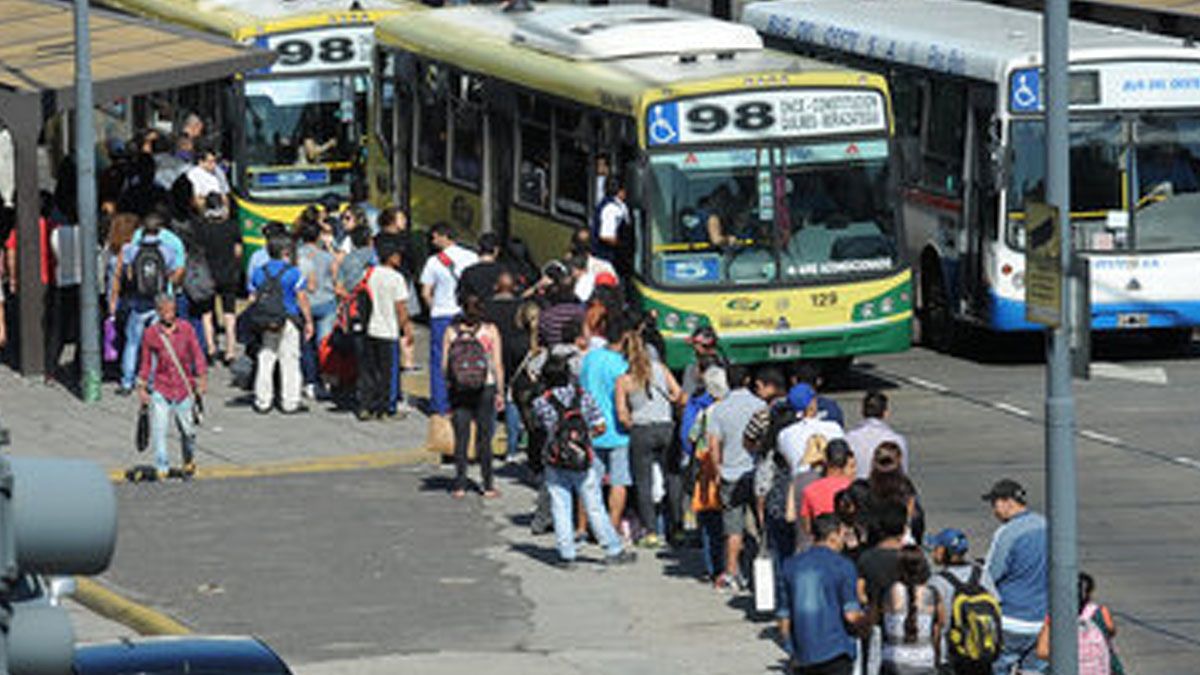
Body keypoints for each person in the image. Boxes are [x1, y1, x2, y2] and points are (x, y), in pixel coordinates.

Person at [531, 353, 637, 569]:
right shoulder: (584, 396)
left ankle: (566, 553)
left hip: (555, 459)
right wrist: (584, 439)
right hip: (582, 459)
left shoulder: (541, 402)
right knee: (594, 504)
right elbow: (600, 426)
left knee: (560, 505)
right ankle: (612, 548)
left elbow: (542, 428)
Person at [616, 325, 683, 548]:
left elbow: (622, 414)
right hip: (666, 427)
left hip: (641, 430)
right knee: (672, 478)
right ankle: (677, 527)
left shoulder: (624, 380)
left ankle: (651, 531)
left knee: (643, 482)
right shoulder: (660, 369)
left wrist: (631, 421)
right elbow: (678, 394)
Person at [706, 366, 772, 591]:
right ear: (747, 380)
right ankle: (767, 566)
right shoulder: (760, 405)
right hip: (755, 472)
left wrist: (717, 470)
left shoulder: (718, 410)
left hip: (730, 473)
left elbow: (714, 445)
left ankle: (731, 573)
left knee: (732, 528)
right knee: (762, 523)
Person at [779, 513, 866, 675]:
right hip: (836, 650)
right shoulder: (843, 566)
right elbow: (851, 615)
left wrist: (791, 649)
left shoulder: (790, 565)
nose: (844, 541)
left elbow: (784, 616)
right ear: (834, 535)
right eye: (843, 535)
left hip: (803, 655)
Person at [136, 294, 207, 479]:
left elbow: (197, 354)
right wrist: (142, 386)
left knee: (188, 432)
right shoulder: (151, 334)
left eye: (172, 310)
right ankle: (162, 467)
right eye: (165, 311)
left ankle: (188, 460)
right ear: (158, 312)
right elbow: (145, 363)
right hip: (162, 388)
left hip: (184, 388)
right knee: (159, 430)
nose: (169, 314)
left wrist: (201, 377)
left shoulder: (186, 329)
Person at [982, 479, 1049, 675]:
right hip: (1041, 622)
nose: (994, 511)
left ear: (1007, 502)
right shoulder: (1046, 525)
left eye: (995, 504)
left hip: (1010, 619)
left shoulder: (1007, 533)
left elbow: (990, 576)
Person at [113, 213, 181, 395]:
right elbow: (172, 274)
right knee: (156, 343)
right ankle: (152, 382)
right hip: (159, 301)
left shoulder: (131, 249)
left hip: (138, 301)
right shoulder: (168, 250)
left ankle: (127, 383)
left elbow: (126, 274)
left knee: (132, 342)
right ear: (159, 230)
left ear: (142, 230)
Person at [444, 294, 504, 499]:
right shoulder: (490, 331)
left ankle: (460, 485)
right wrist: (501, 392)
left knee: (461, 438)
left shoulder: (451, 332)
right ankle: (487, 485)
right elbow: (497, 365)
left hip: (460, 390)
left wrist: (449, 385)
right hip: (485, 387)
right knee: (484, 438)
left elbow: (444, 366)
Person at [579, 318, 632, 531]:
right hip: (618, 431)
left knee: (588, 482)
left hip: (590, 427)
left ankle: (582, 528)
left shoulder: (589, 359)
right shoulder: (622, 364)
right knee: (618, 482)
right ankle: (611, 527)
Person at [420, 222, 478, 416]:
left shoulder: (433, 262)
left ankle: (440, 405)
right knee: (467, 356)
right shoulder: (471, 257)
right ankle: (466, 402)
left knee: (439, 361)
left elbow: (426, 292)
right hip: (464, 315)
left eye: (434, 237)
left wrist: (433, 307)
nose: (432, 241)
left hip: (441, 315)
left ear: (442, 236)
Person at [250, 235, 313, 414]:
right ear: (285, 252)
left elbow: (253, 296)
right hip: (288, 318)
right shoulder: (293, 272)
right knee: (290, 359)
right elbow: (301, 297)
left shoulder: (259, 272)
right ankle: (290, 401)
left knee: (266, 357)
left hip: (266, 320)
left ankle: (263, 400)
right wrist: (308, 321)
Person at [926, 528, 1000, 675]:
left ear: (943, 551)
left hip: (952, 653)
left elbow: (936, 623)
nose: (933, 552)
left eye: (935, 548)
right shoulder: (981, 574)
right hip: (983, 650)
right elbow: (996, 604)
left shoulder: (937, 582)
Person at [358, 233, 413, 421]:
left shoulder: (370, 273)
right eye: (397, 255)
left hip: (370, 328)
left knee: (370, 371)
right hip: (389, 331)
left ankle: (366, 406)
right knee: (387, 373)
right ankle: (385, 409)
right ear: (391, 257)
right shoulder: (396, 278)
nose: (400, 258)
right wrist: (407, 328)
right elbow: (401, 308)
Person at [1034, 572, 1120, 674]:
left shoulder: (1056, 615)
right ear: (1089, 593)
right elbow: (1111, 631)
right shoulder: (1101, 611)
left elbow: (1042, 652)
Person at [879, 544, 945, 675]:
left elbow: (874, 620)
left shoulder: (888, 593)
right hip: (924, 661)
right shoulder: (933, 594)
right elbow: (939, 628)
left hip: (894, 662)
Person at [195, 192, 242, 365]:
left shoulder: (201, 228)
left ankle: (211, 348)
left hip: (208, 275)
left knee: (207, 313)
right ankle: (230, 350)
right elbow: (238, 251)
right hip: (229, 274)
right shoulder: (231, 226)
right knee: (229, 313)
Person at [297, 219, 339, 400]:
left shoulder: (295, 256)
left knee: (306, 345)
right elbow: (337, 278)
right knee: (324, 344)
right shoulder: (327, 257)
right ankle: (326, 380)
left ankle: (310, 381)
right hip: (326, 303)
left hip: (304, 304)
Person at [778, 383, 846, 476]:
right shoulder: (834, 427)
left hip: (800, 483)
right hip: (834, 482)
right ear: (812, 404)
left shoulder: (784, 435)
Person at [846, 390, 910, 479]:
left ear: (862, 412)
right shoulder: (897, 440)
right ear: (885, 413)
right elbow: (902, 475)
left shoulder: (848, 438)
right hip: (887, 490)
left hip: (857, 490)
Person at [800, 438, 856, 535]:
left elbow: (807, 528)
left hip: (822, 540)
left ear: (825, 459)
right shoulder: (853, 488)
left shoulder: (810, 489)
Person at [592, 175, 630, 279]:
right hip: (605, 261)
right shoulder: (611, 208)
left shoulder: (619, 206)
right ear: (621, 191)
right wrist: (624, 245)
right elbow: (606, 236)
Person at [458, 232, 503, 303]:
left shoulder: (468, 272)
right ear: (496, 250)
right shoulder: (504, 272)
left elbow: (461, 297)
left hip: (475, 312)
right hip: (499, 311)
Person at [185, 146, 229, 216]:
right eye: (210, 162)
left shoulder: (219, 171)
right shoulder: (193, 174)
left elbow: (224, 193)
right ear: (201, 162)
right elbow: (197, 196)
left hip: (218, 200)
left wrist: (226, 210)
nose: (213, 165)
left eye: (215, 161)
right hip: (203, 202)